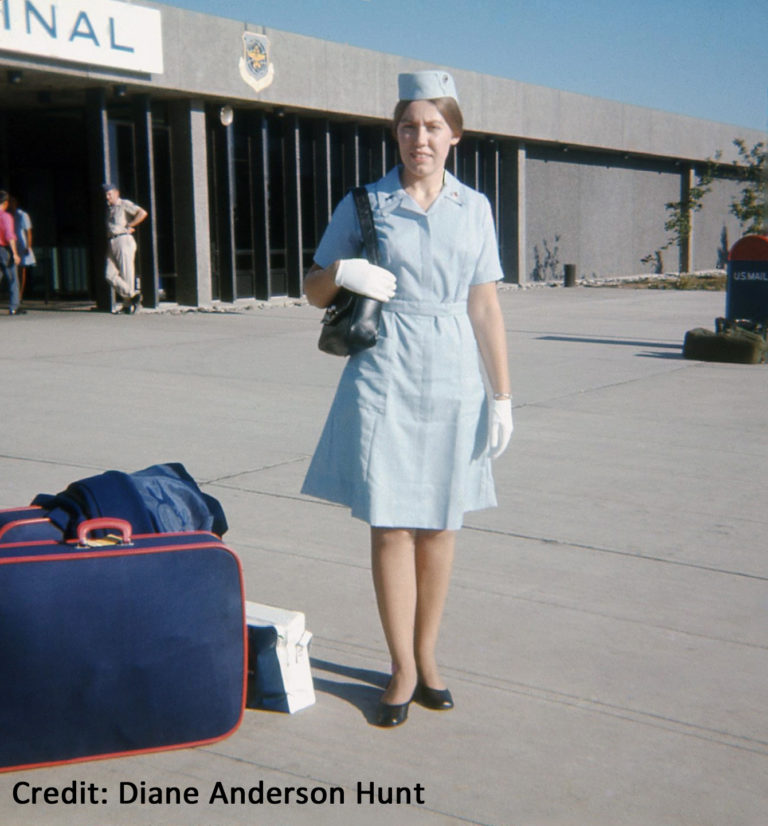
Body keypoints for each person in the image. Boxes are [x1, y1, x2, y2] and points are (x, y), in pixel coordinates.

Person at [302, 70, 513, 727]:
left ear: (454, 134)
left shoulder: (474, 208)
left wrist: (502, 395)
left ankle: (428, 659)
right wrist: (344, 273)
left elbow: (485, 306)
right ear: (396, 134)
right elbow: (312, 286)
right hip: (384, 369)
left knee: (441, 523)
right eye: (407, 126)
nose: (419, 138)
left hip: (453, 372)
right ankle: (398, 667)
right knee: (392, 523)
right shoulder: (366, 202)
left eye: (431, 126)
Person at [103, 183, 147, 313]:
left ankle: (128, 305)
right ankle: (133, 296)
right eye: (106, 194)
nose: (107, 197)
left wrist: (130, 224)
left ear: (117, 193)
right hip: (112, 241)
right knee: (109, 274)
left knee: (126, 273)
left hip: (123, 239)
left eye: (110, 194)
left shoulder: (123, 204)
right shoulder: (109, 209)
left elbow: (142, 213)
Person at [0, 190, 24, 316]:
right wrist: (15, 253)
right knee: (13, 278)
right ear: (5, 202)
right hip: (3, 249)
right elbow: (10, 236)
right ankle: (14, 306)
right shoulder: (5, 217)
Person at [9, 196, 35, 302]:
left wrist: (28, 245)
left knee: (21, 270)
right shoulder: (9, 215)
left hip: (22, 244)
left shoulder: (22, 215)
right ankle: (15, 295)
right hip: (13, 243)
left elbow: (28, 231)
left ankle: (20, 294)